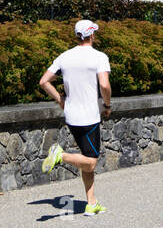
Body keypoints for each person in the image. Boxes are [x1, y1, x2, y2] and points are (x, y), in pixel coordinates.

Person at [39, 18, 112, 214]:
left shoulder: (64, 56)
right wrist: (107, 104)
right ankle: (59, 155)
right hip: (89, 117)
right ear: (92, 35)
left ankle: (91, 203)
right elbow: (104, 85)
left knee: (86, 160)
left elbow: (44, 81)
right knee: (91, 161)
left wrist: (61, 101)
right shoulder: (99, 57)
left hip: (71, 116)